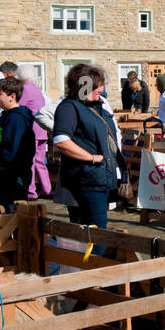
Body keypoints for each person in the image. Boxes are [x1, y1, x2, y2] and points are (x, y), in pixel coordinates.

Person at [51, 64, 122, 228]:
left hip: (100, 178)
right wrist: (90, 158)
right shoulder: (69, 107)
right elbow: (62, 141)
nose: (101, 89)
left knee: (90, 230)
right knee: (97, 231)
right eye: (97, 85)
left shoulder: (96, 106)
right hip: (86, 179)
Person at [0, 76, 37, 212]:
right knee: (6, 211)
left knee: (14, 214)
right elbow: (0, 140)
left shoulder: (16, 119)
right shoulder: (6, 115)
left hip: (14, 176)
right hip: (4, 175)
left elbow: (11, 151)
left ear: (12, 96)